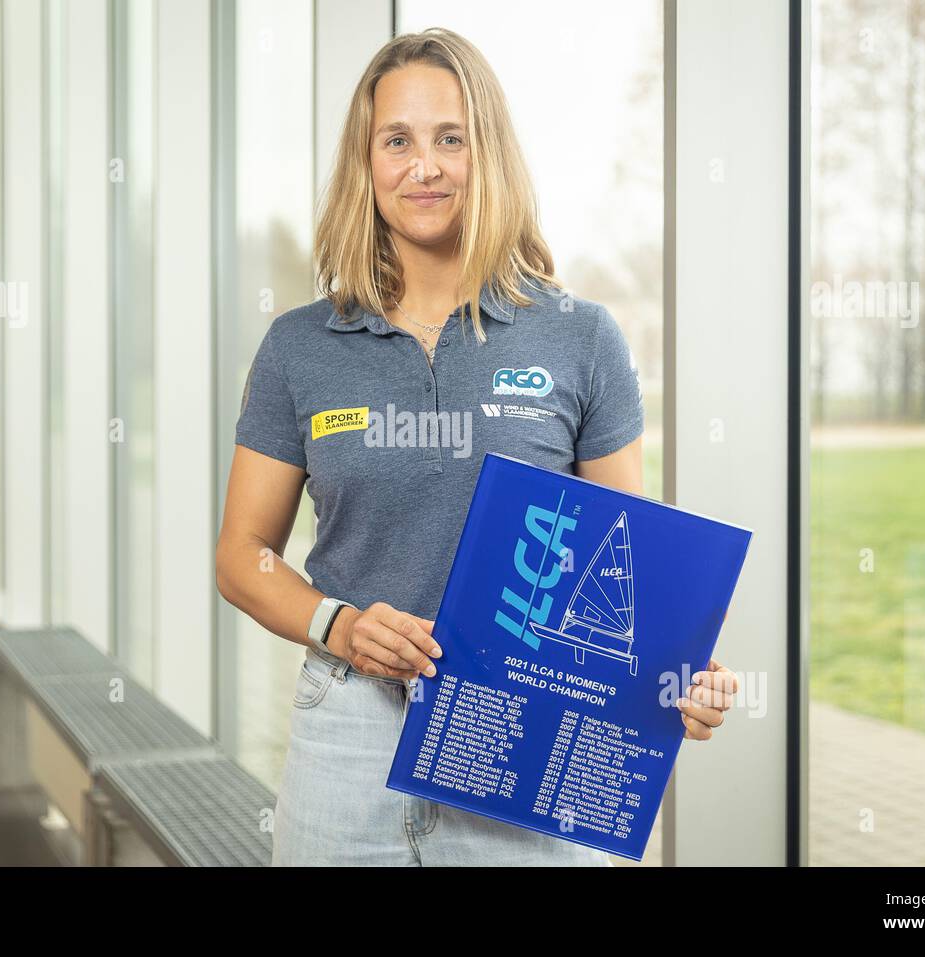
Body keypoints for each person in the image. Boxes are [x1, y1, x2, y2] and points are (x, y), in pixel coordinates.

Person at [215, 27, 739, 866]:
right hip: (350, 737)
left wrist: (680, 675)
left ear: (485, 153)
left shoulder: (580, 338)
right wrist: (337, 624)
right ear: (367, 162)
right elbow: (242, 555)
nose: (425, 166)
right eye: (399, 140)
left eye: (449, 138)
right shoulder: (299, 348)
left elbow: (630, 564)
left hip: (524, 740)